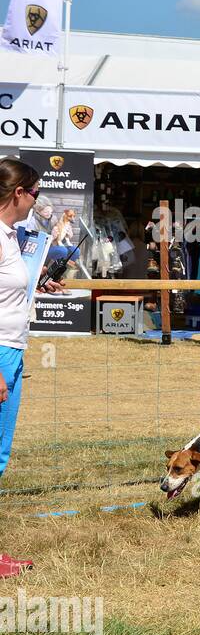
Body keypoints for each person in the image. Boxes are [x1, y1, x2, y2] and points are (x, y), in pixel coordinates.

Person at [1, 159, 64, 484]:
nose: (37, 201)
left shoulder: (12, 236)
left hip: (13, 347)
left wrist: (36, 281)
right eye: (35, 193)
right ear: (19, 193)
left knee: (1, 451)